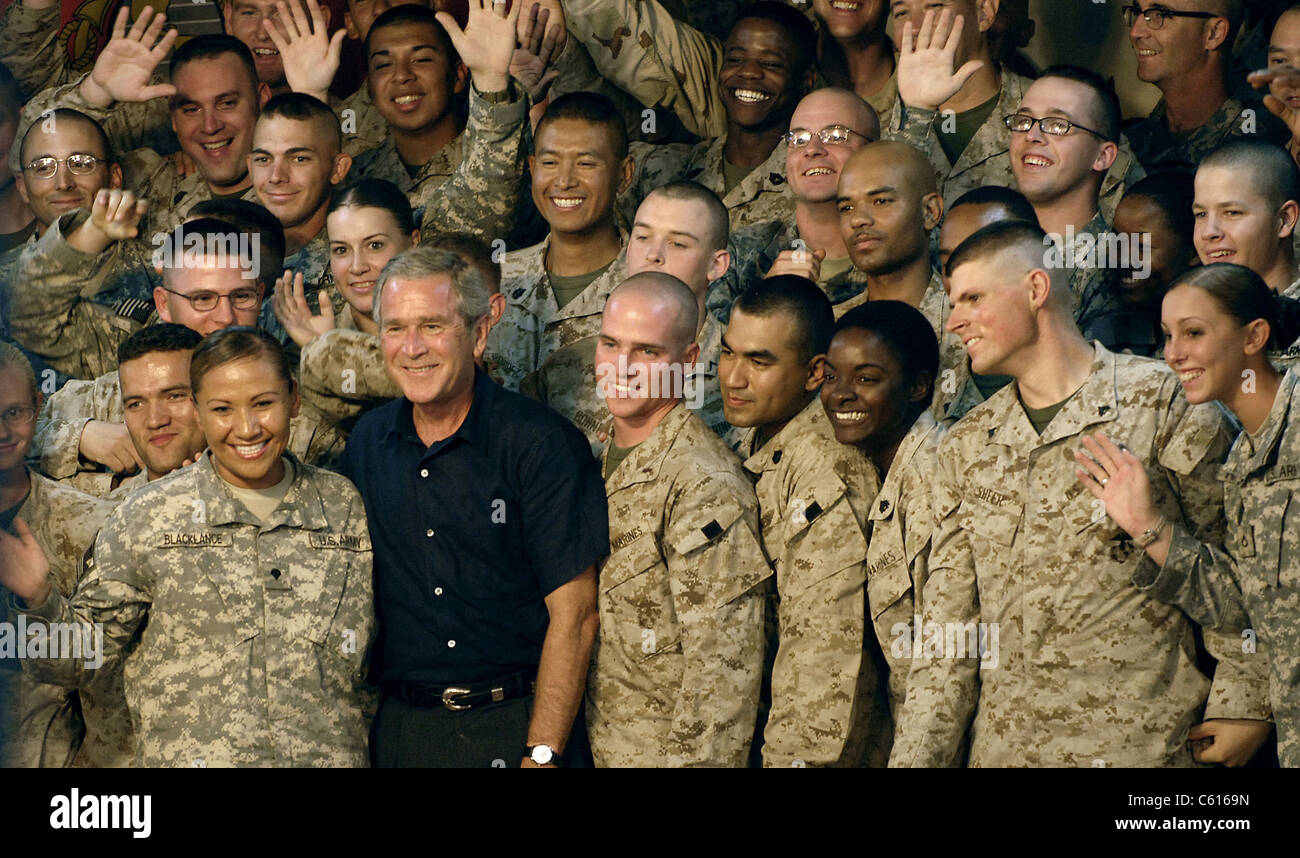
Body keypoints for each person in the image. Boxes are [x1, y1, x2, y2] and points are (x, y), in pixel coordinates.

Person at [891, 220, 1272, 767]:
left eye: (973, 297)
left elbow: (1246, 574)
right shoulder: (966, 444)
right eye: (952, 303)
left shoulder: (1165, 402)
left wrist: (1247, 706)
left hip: (1137, 751)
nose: (953, 323)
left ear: (1036, 290)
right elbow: (948, 637)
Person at [0, 327, 377, 767]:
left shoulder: (341, 502)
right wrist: (40, 599)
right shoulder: (146, 514)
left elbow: (367, 660)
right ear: (200, 412)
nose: (247, 428)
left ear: (293, 400)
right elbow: (79, 660)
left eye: (263, 403)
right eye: (222, 409)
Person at [339, 245, 607, 767]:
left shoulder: (540, 445)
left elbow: (575, 616)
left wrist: (544, 752)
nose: (412, 348)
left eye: (433, 326)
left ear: (479, 333)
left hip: (516, 725)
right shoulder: (368, 443)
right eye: (395, 328)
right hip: (403, 733)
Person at [1079, 262, 1300, 766]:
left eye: (1194, 333)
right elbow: (1241, 606)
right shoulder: (1242, 461)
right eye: (1167, 336)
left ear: (1254, 336)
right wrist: (1147, 526)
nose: (1174, 354)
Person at [585, 272, 769, 767]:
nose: (620, 367)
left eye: (647, 352)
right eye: (610, 344)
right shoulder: (594, 456)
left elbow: (724, 674)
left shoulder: (703, 483)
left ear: (687, 362)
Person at [720, 274, 891, 767]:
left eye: (759, 361)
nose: (733, 377)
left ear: (816, 372)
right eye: (729, 352)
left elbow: (825, 663)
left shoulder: (826, 473)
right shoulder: (754, 439)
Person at [565, 0, 817, 232]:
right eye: (736, 59)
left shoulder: (814, 183)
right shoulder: (664, 168)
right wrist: (560, 55)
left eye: (771, 64)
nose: (748, 72)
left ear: (806, 82)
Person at [524, 182, 734, 447]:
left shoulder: (738, 378)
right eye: (643, 237)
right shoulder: (569, 365)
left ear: (717, 265)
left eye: (678, 244)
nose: (654, 255)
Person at [886, 5, 1139, 222]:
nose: (915, 26)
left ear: (984, 12)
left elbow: (1137, 247)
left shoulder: (1077, 112)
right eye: (901, 12)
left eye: (935, 6)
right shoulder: (883, 124)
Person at [296, 2, 528, 239]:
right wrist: (308, 99)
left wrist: (491, 81)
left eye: (421, 59)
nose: (402, 75)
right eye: (384, 65)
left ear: (458, 76)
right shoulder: (354, 172)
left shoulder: (501, 156)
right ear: (371, 89)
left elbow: (490, 209)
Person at [20, 26, 272, 233]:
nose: (210, 125)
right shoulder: (147, 181)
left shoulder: (292, 191)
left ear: (262, 100)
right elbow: (26, 146)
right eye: (191, 109)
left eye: (227, 103)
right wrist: (96, 92)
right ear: (173, 117)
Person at [0, 344, 121, 768]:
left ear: (38, 407)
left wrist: (40, 600)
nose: (0, 432)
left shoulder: (90, 523)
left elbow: (101, 667)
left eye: (13, 413)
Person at [820, 301, 942, 719]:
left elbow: (942, 664)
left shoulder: (935, 479)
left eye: (866, 378)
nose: (840, 393)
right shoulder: (875, 465)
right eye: (831, 376)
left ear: (917, 387)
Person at [485, 92, 632, 391]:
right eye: (550, 162)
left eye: (586, 164)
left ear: (624, 174)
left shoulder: (648, 291)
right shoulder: (494, 280)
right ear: (532, 167)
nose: (564, 181)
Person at [834, 141, 967, 416]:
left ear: (930, 212)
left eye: (880, 201)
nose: (858, 220)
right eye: (846, 207)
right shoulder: (830, 328)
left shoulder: (969, 328)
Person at [1008, 65, 1129, 348]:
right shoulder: (988, 245)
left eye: (1058, 126)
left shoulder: (1116, 268)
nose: (1033, 136)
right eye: (1024, 121)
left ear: (1102, 156)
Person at [731, 87, 878, 304]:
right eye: (799, 139)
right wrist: (764, 301)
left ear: (874, 151)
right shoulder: (742, 253)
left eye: (835, 135)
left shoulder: (907, 250)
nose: (812, 149)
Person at [1125, 0, 1289, 171]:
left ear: (1214, 33)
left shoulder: (1254, 157)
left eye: (1159, 15)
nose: (1135, 32)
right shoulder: (1130, 140)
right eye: (1137, 11)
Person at [1193, 138, 1300, 295]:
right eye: (1201, 214)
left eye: (1232, 212)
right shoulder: (1188, 310)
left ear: (1285, 219)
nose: (1208, 232)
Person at [1111, 172, 1200, 356]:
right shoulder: (1116, 318)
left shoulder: (1216, 332)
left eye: (1141, 246)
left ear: (1192, 251)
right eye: (1117, 242)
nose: (1123, 259)